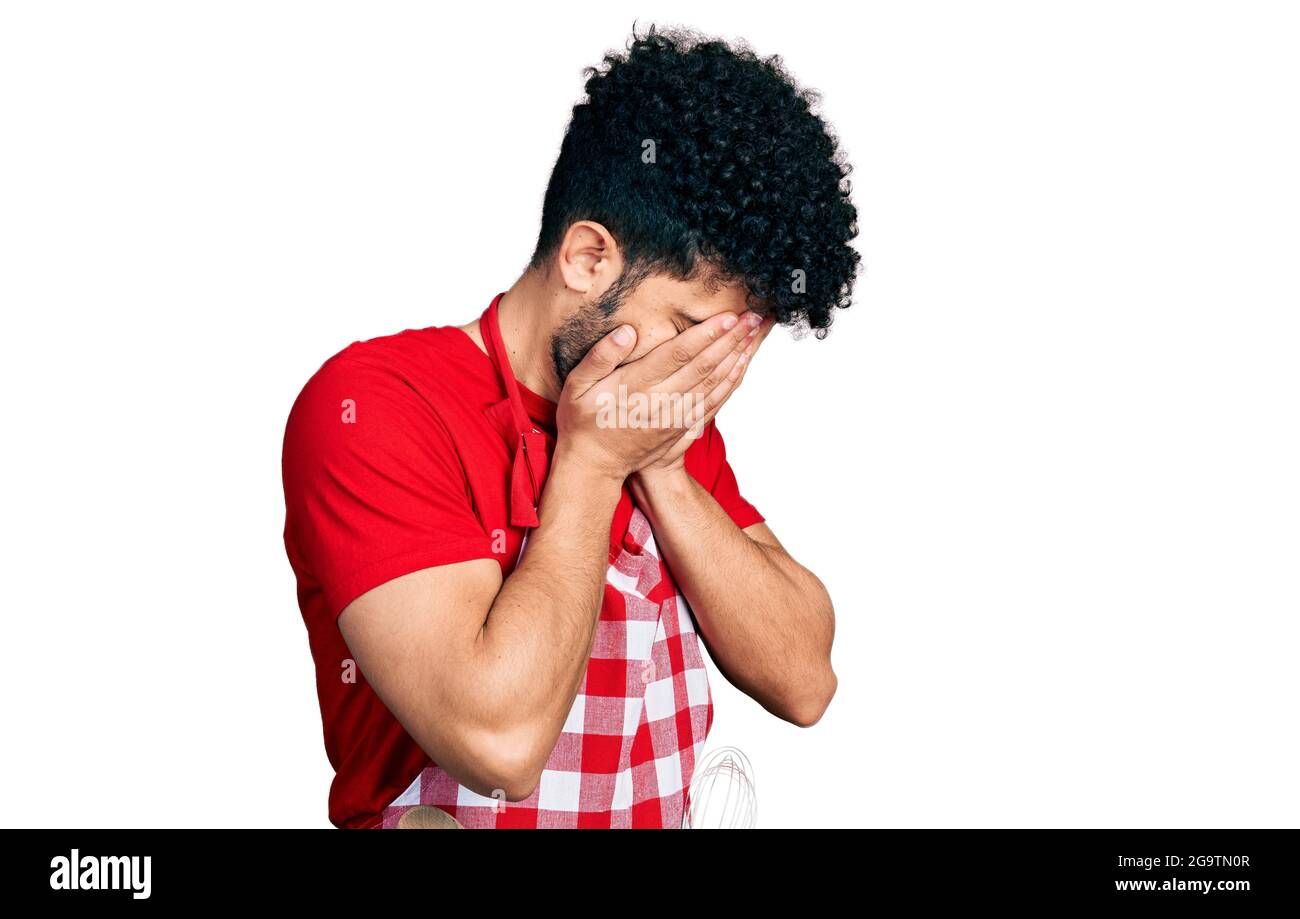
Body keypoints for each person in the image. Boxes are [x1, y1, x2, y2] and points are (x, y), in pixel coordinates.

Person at [282, 26, 860, 828]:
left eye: (730, 345)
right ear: (589, 258)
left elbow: (804, 675)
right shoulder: (379, 406)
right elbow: (500, 740)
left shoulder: (655, 418)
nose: (706, 374)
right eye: (690, 325)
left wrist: (656, 466)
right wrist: (591, 465)